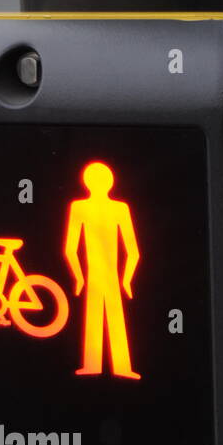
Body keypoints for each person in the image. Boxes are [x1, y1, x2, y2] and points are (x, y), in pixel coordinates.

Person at [63, 161, 140, 379]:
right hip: (105, 273)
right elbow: (134, 252)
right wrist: (127, 279)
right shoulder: (115, 208)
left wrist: (79, 276)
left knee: (97, 317)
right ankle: (117, 367)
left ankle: (99, 365)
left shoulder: (83, 207)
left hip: (98, 273)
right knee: (111, 319)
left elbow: (71, 249)